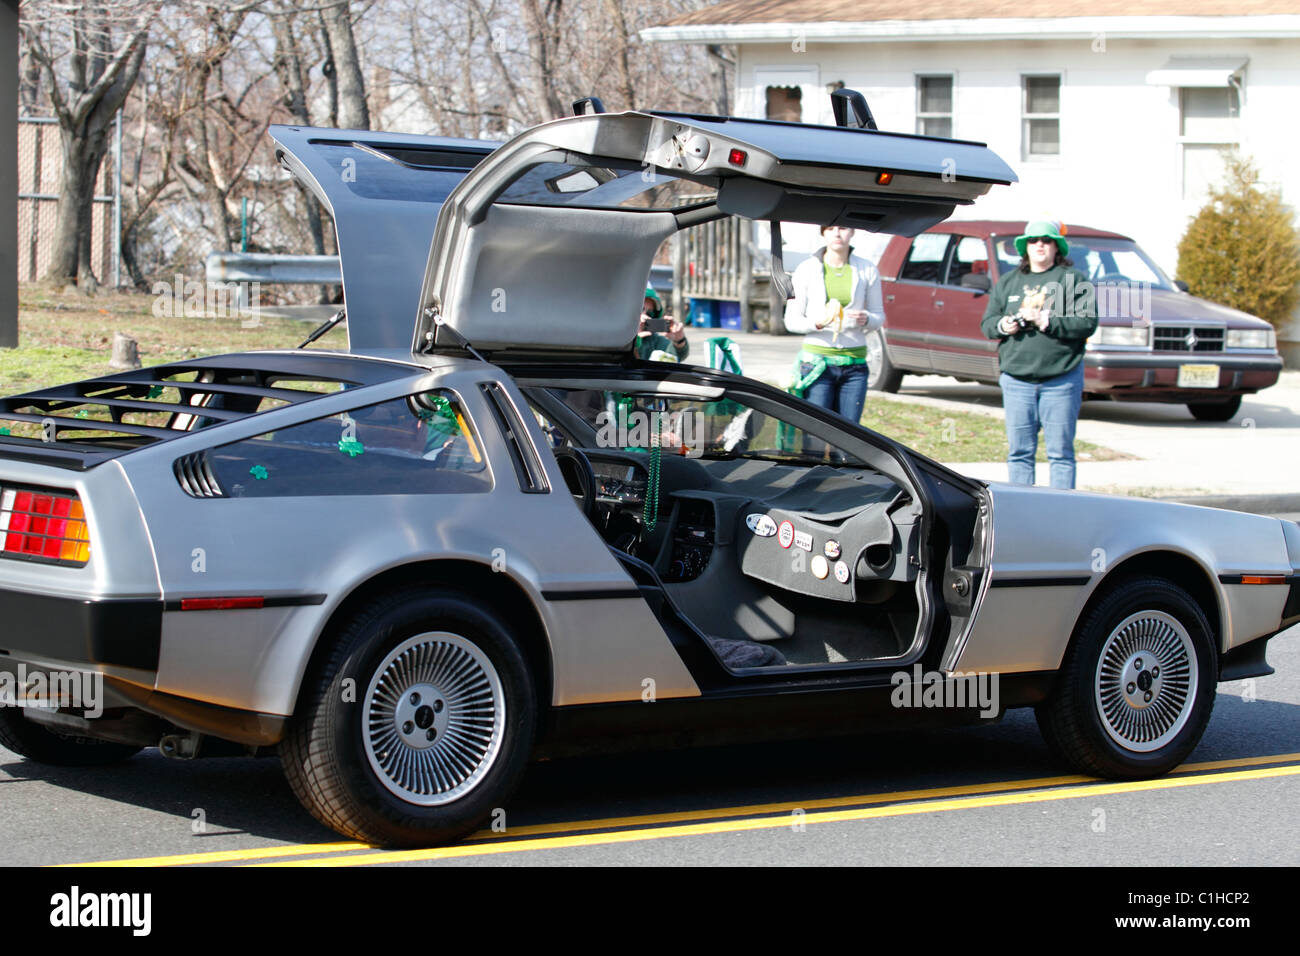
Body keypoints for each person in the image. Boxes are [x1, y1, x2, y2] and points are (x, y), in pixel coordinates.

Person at [979, 220, 1097, 489]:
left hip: (1061, 379)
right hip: (1017, 379)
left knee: (1060, 454)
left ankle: (1062, 513)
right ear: (1025, 248)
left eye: (1047, 240)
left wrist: (1047, 319)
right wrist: (1003, 325)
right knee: (1019, 453)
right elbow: (987, 324)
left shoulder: (1074, 280)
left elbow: (1087, 323)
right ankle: (1023, 511)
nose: (1040, 245)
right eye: (1033, 240)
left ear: (1057, 247)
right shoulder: (1009, 282)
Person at [782, 224, 884, 424]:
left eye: (844, 228)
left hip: (855, 364)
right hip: (817, 363)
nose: (837, 233)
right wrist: (818, 323)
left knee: (851, 434)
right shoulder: (807, 268)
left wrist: (867, 319)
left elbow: (879, 316)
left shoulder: (867, 268)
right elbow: (791, 320)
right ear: (823, 232)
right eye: (830, 229)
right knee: (816, 433)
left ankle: (844, 457)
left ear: (853, 232)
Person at [635, 286, 689, 362]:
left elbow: (674, 357)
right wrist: (635, 341)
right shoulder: (616, 335)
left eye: (650, 313)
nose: (645, 316)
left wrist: (679, 340)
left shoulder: (654, 340)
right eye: (640, 310)